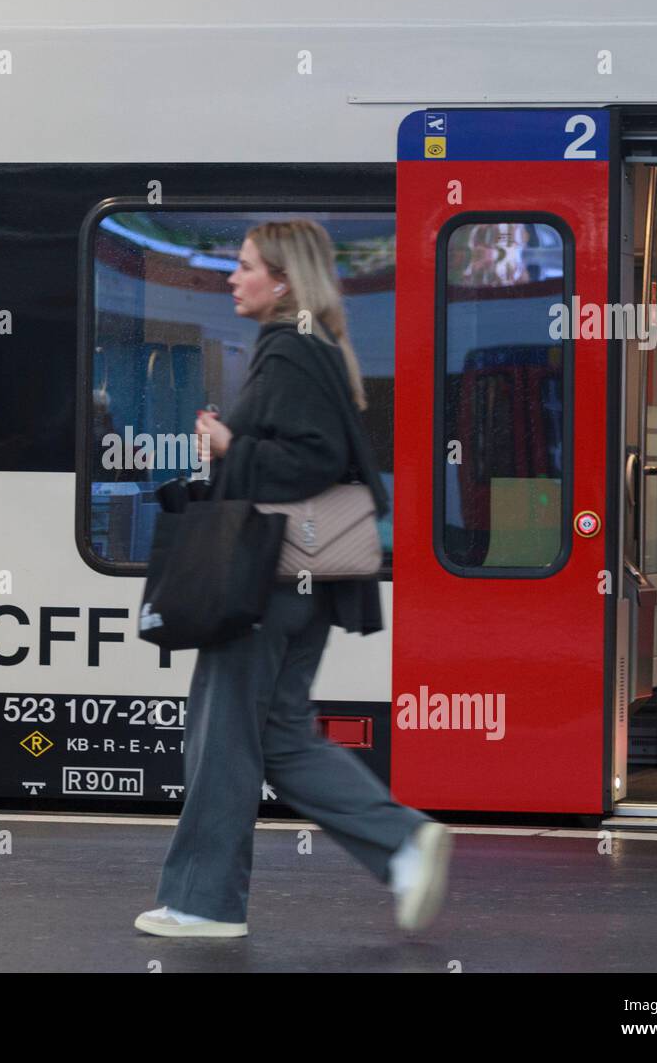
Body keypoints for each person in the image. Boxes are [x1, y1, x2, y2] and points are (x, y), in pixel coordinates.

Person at [135, 220, 451, 938]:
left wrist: (229, 444)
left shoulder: (287, 347)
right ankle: (401, 844)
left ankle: (201, 902)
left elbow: (309, 459)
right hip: (304, 581)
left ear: (281, 279)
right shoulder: (316, 346)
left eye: (243, 266)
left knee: (221, 737)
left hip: (266, 579)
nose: (230, 277)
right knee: (279, 733)